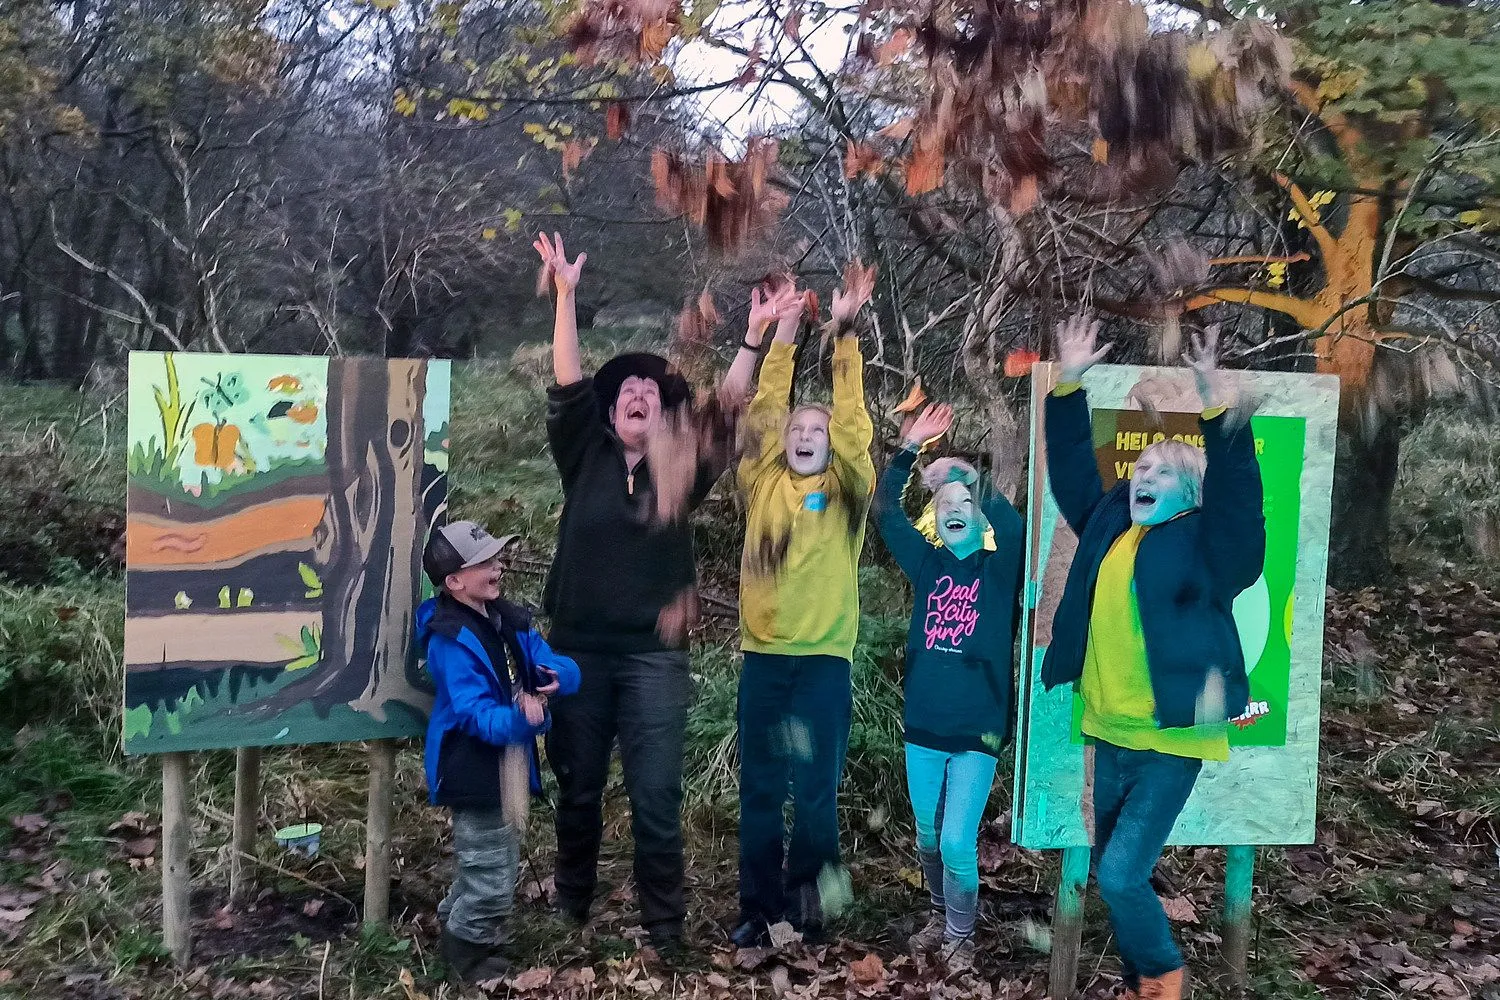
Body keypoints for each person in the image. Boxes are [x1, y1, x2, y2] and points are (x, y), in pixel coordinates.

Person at [531, 233, 799, 952]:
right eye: (626, 392)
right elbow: (565, 381)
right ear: (610, 409)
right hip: (577, 653)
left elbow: (730, 409)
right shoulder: (582, 455)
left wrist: (751, 337)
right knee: (579, 790)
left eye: (651, 393)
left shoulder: (682, 470)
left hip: (655, 659)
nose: (638, 396)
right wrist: (565, 298)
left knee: (655, 797)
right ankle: (572, 904)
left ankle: (664, 924)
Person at [1040, 318, 1266, 1000]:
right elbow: (1076, 471)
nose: (1145, 474)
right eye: (1142, 466)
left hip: (1174, 737)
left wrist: (1218, 413)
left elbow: (1239, 506)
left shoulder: (1207, 545)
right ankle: (1144, 979)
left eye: (1165, 471)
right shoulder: (1112, 524)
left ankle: (1165, 976)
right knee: (1117, 869)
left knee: (1118, 875)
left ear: (1191, 494)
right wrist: (1069, 384)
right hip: (1110, 731)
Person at [730, 263, 877, 948]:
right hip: (763, 660)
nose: (805, 432)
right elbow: (762, 412)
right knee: (760, 794)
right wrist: (783, 339)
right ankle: (757, 912)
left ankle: (808, 903)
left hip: (822, 663)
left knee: (815, 794)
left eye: (815, 428)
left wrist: (843, 333)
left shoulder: (847, 494)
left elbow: (852, 429)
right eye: (797, 427)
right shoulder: (763, 482)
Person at [873, 402, 1024, 972]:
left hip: (977, 729)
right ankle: (939, 914)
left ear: (980, 515)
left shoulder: (999, 562)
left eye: (966, 502)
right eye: (944, 504)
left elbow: (1007, 522)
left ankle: (961, 934)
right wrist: (908, 452)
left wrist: (961, 472)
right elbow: (887, 512)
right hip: (925, 725)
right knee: (929, 837)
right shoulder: (927, 563)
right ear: (934, 520)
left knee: (958, 839)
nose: (954, 507)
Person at [417, 520, 582, 984]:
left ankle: (458, 933)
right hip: (472, 767)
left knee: (494, 859)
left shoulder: (507, 617)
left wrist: (560, 677)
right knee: (490, 870)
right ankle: (464, 956)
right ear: (454, 582)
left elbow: (551, 659)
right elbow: (471, 712)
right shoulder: (449, 639)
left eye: (497, 559)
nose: (498, 567)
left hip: (510, 759)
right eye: (484, 563)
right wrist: (519, 720)